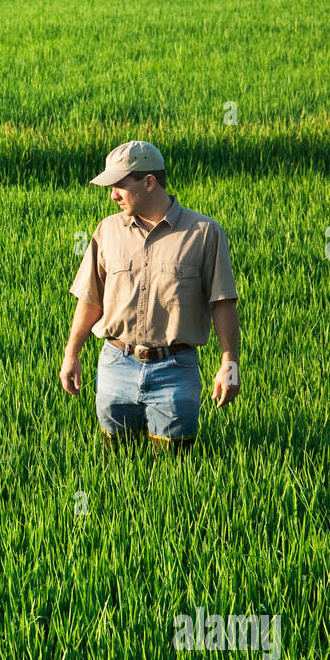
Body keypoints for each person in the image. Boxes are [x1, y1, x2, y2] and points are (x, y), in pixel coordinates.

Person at [59, 141, 240, 451]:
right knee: (116, 468)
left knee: (174, 472)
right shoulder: (107, 231)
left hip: (175, 370)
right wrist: (71, 352)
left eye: (119, 185)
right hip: (116, 365)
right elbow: (90, 299)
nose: (112, 195)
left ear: (149, 182)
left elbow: (221, 302)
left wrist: (229, 363)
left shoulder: (204, 232)